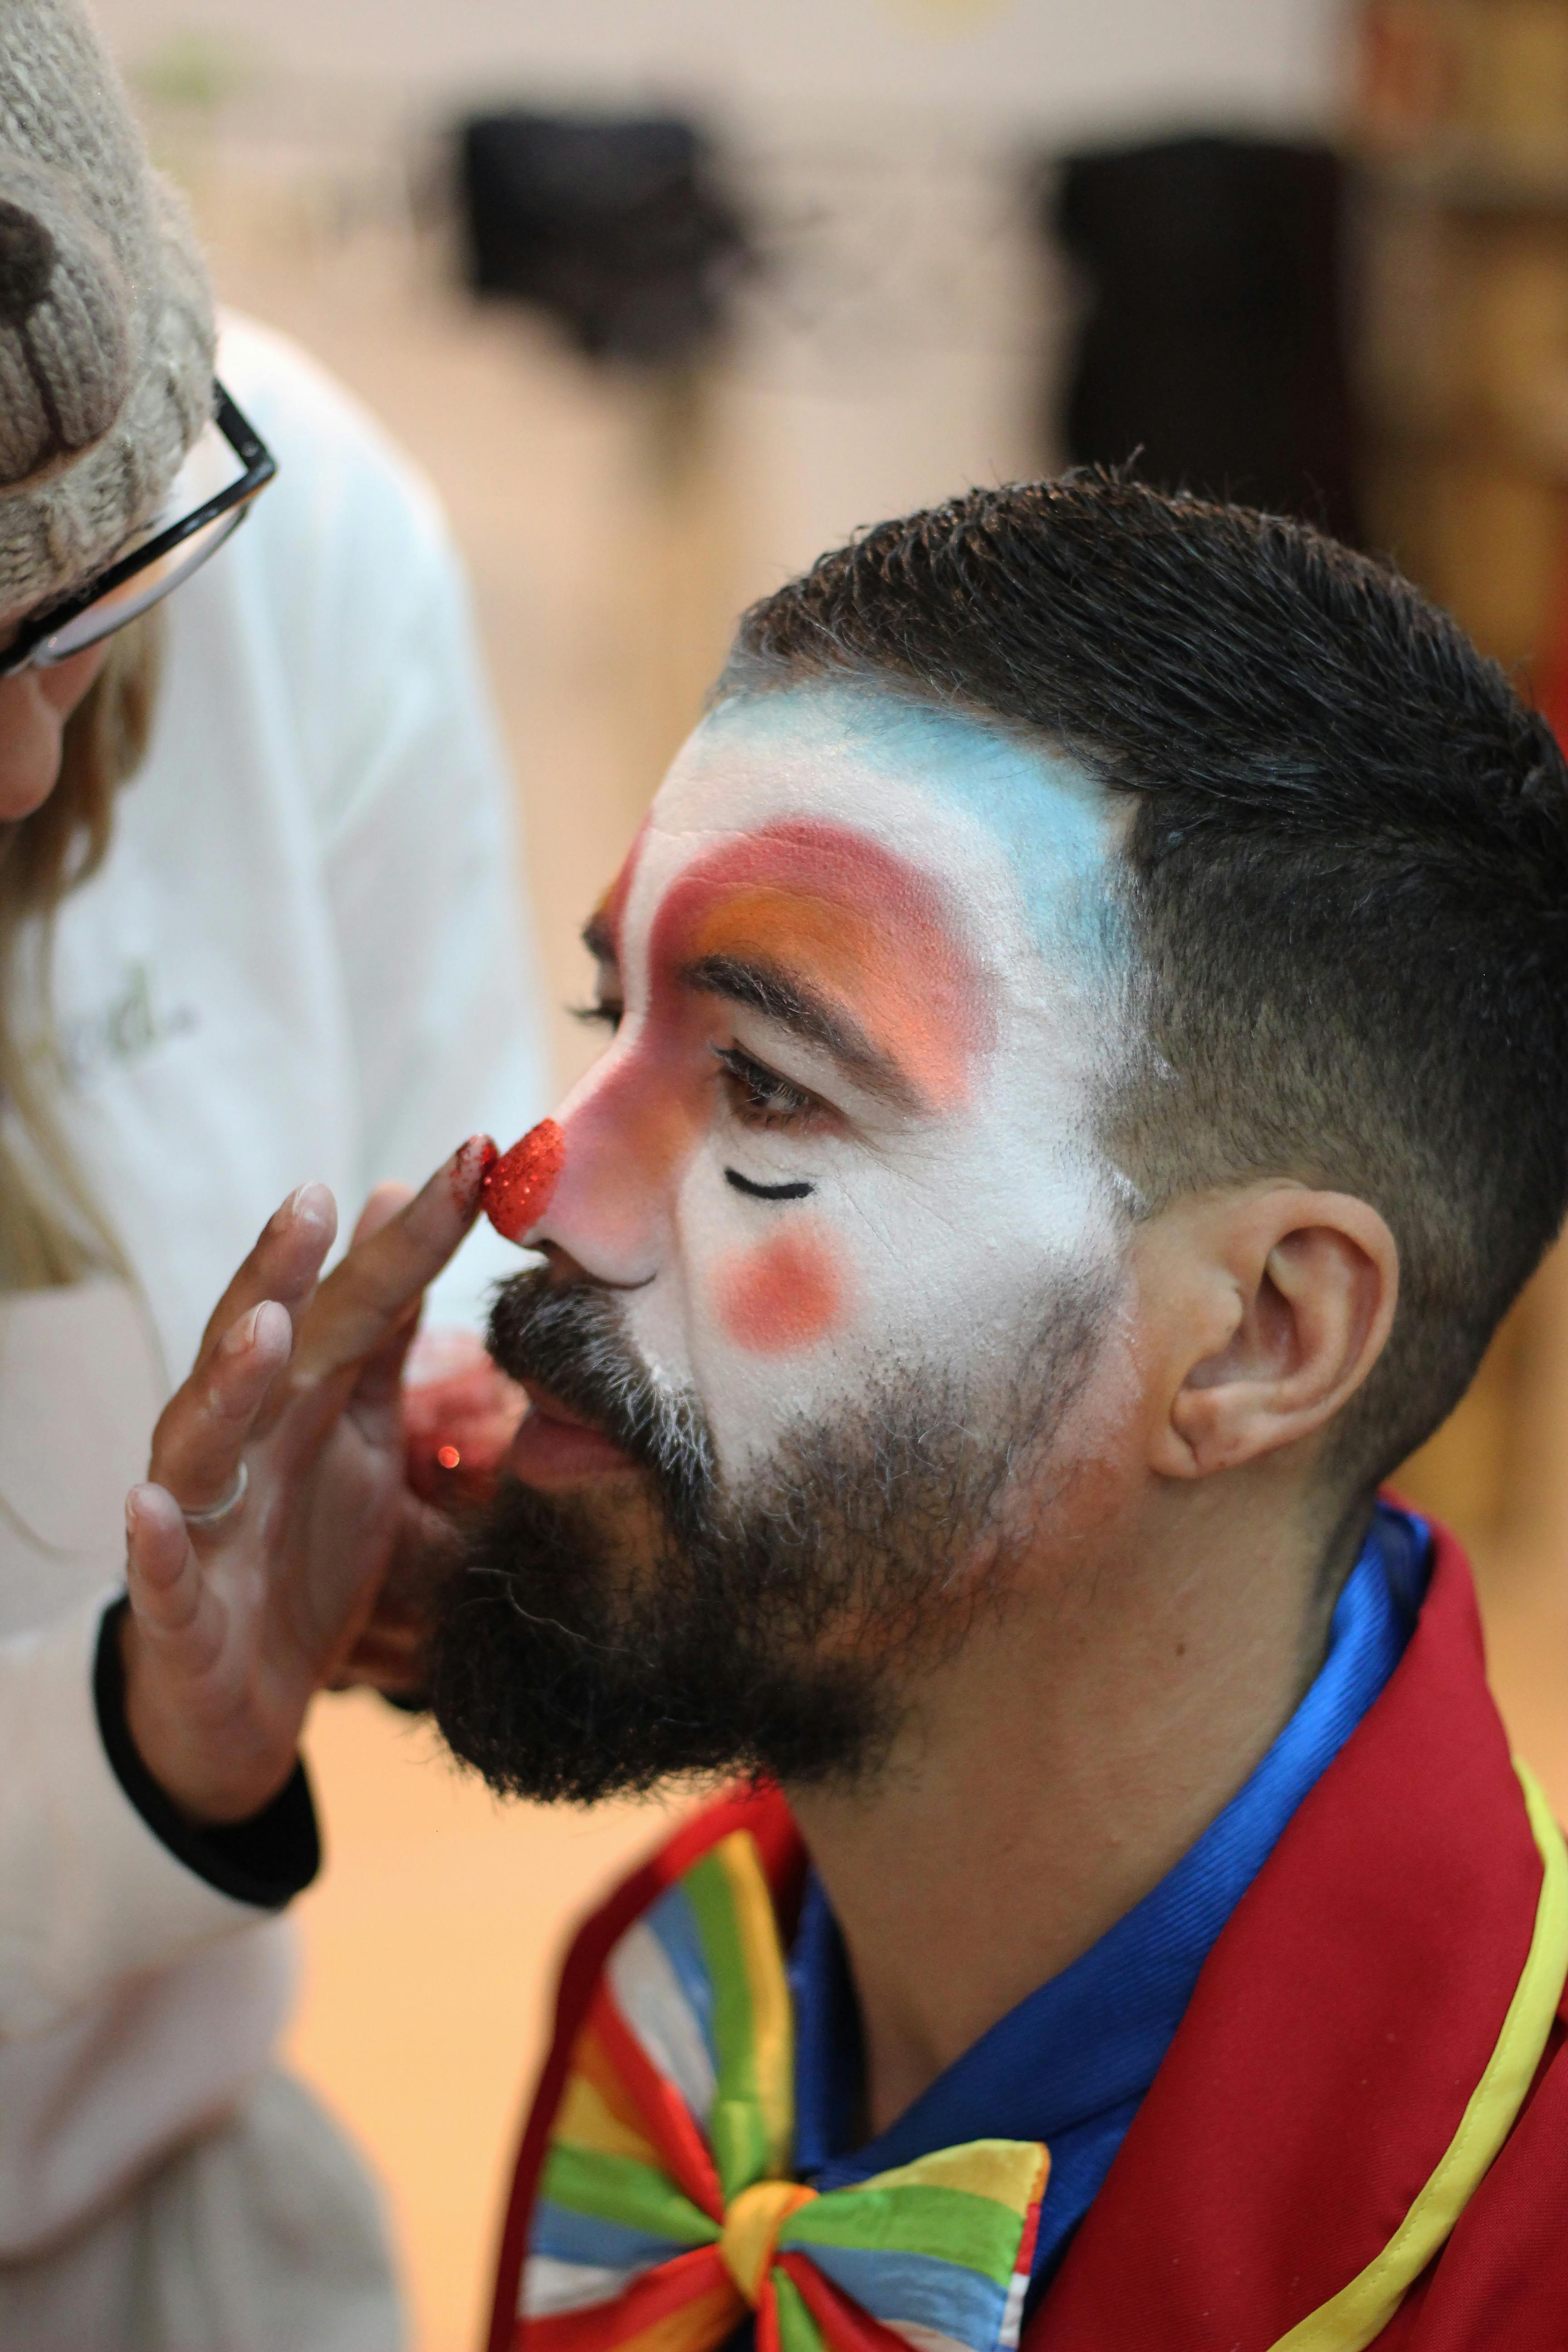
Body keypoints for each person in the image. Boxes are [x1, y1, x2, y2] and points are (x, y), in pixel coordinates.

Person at [141, 472, 1568, 2349]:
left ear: (1258, 1339)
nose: (546, 1191)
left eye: (769, 1087)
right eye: (610, 1023)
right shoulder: (691, 1997)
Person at [0, 3, 543, 2345]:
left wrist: (459, 1522)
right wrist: (137, 1749)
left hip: (172, 2214)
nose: (26, 768)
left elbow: (465, 1357)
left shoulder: (293, 524)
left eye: (80, 608)